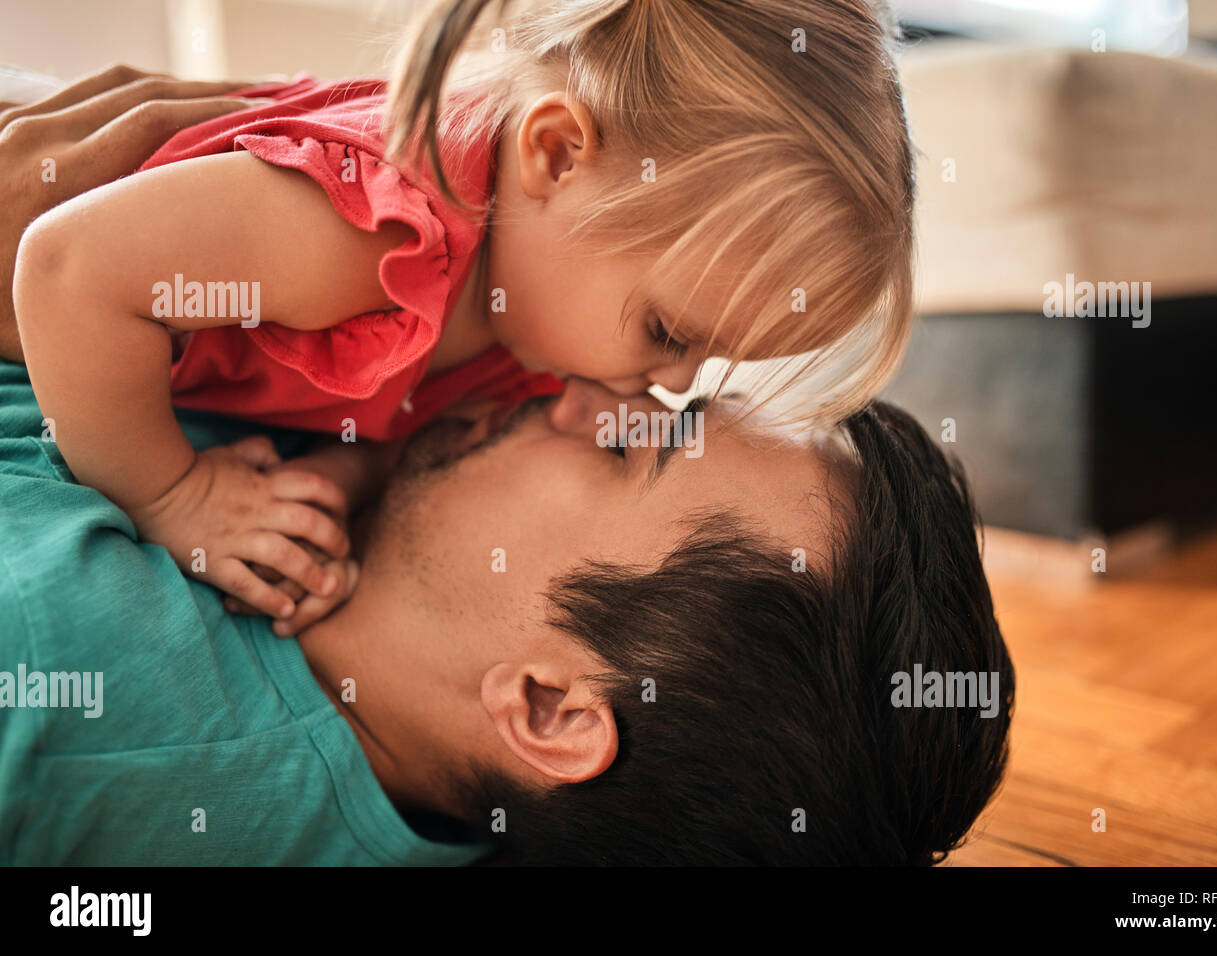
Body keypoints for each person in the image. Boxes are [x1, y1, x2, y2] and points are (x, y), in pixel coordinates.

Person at [0, 69, 1009, 867]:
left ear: (546, 707)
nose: (581, 390)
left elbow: (69, 262)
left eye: (628, 449)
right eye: (662, 393)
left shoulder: (60, 687)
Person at [11, 0, 918, 624]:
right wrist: (178, 495)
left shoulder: (540, 312)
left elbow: (402, 421)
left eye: (713, 362)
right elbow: (66, 270)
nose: (672, 385)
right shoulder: (373, 231)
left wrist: (339, 484)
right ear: (558, 155)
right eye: (669, 333)